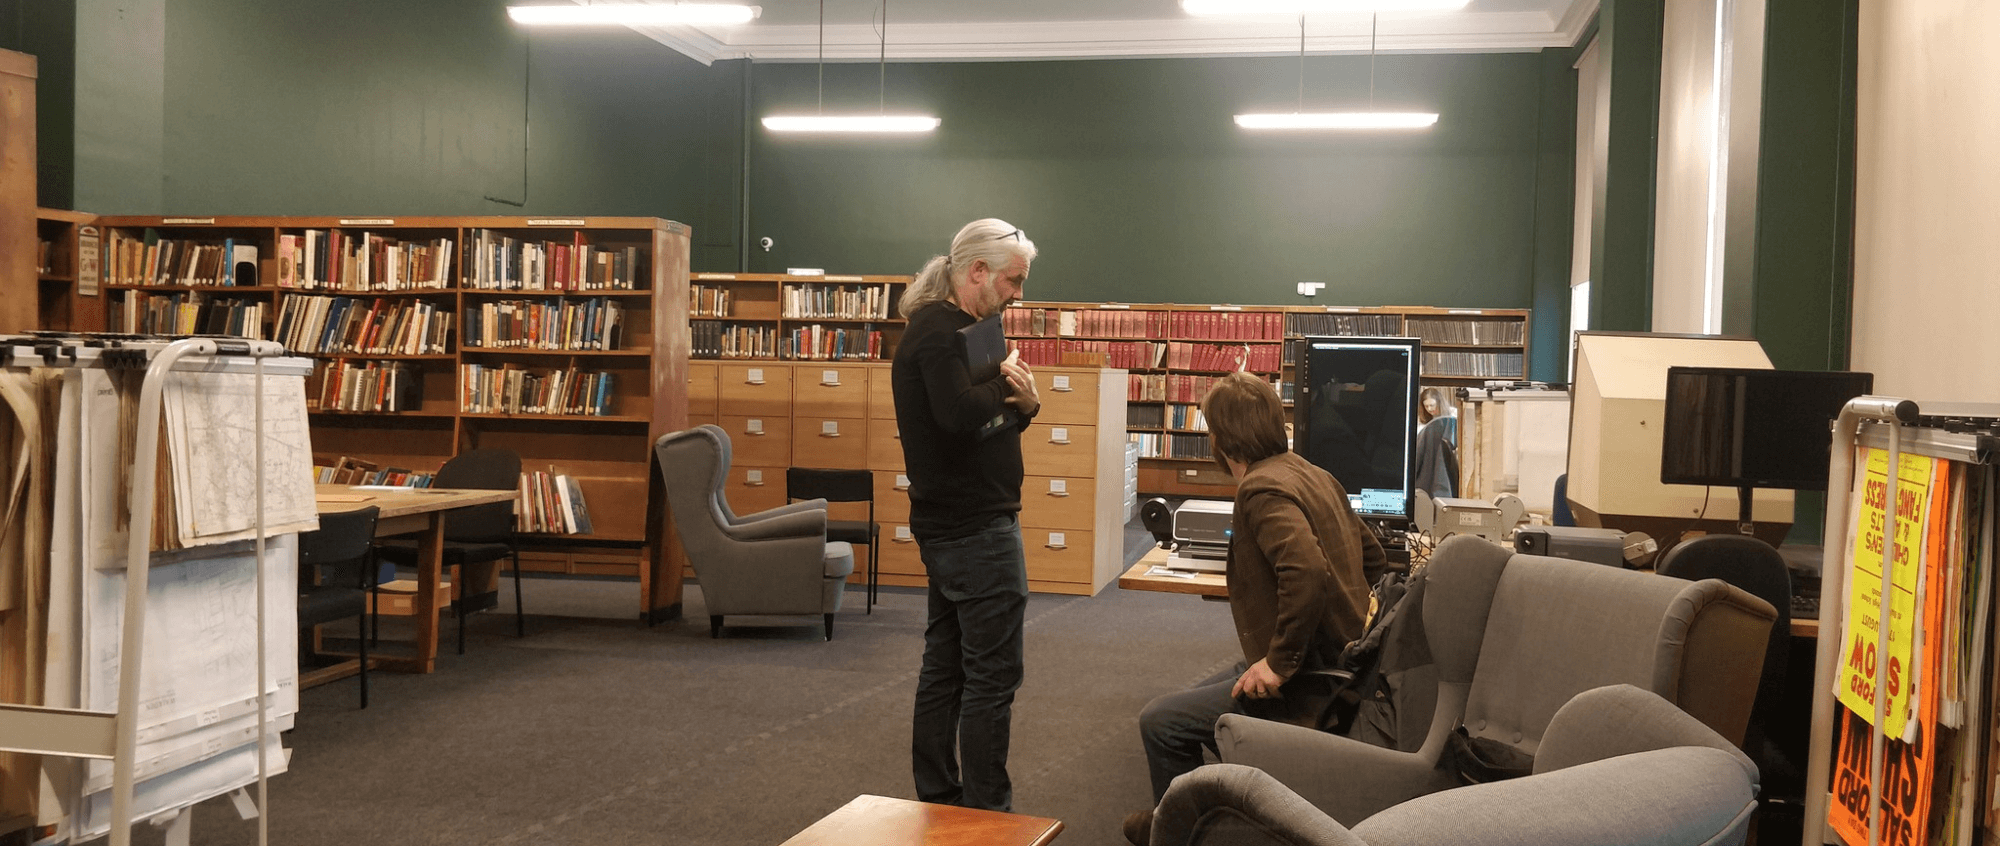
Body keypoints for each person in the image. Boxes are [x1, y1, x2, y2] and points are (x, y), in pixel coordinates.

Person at [1126, 370, 1385, 846]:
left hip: (1308, 675)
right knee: (1205, 696)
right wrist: (1347, 615)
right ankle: (1208, 815)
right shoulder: (1313, 472)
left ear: (1221, 438)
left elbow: (1304, 570)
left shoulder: (1259, 488)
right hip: (1346, 665)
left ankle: (1176, 833)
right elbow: (1373, 557)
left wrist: (1280, 661)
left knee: (1161, 722)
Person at [892, 217, 1041, 812]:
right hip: (974, 531)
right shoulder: (937, 331)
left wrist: (1019, 405)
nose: (1018, 293)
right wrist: (1012, 393)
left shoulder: (975, 327)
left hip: (965, 524)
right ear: (976, 271)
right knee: (990, 678)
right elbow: (959, 415)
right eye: (1013, 280)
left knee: (948, 667)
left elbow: (988, 414)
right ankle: (986, 814)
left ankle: (941, 799)